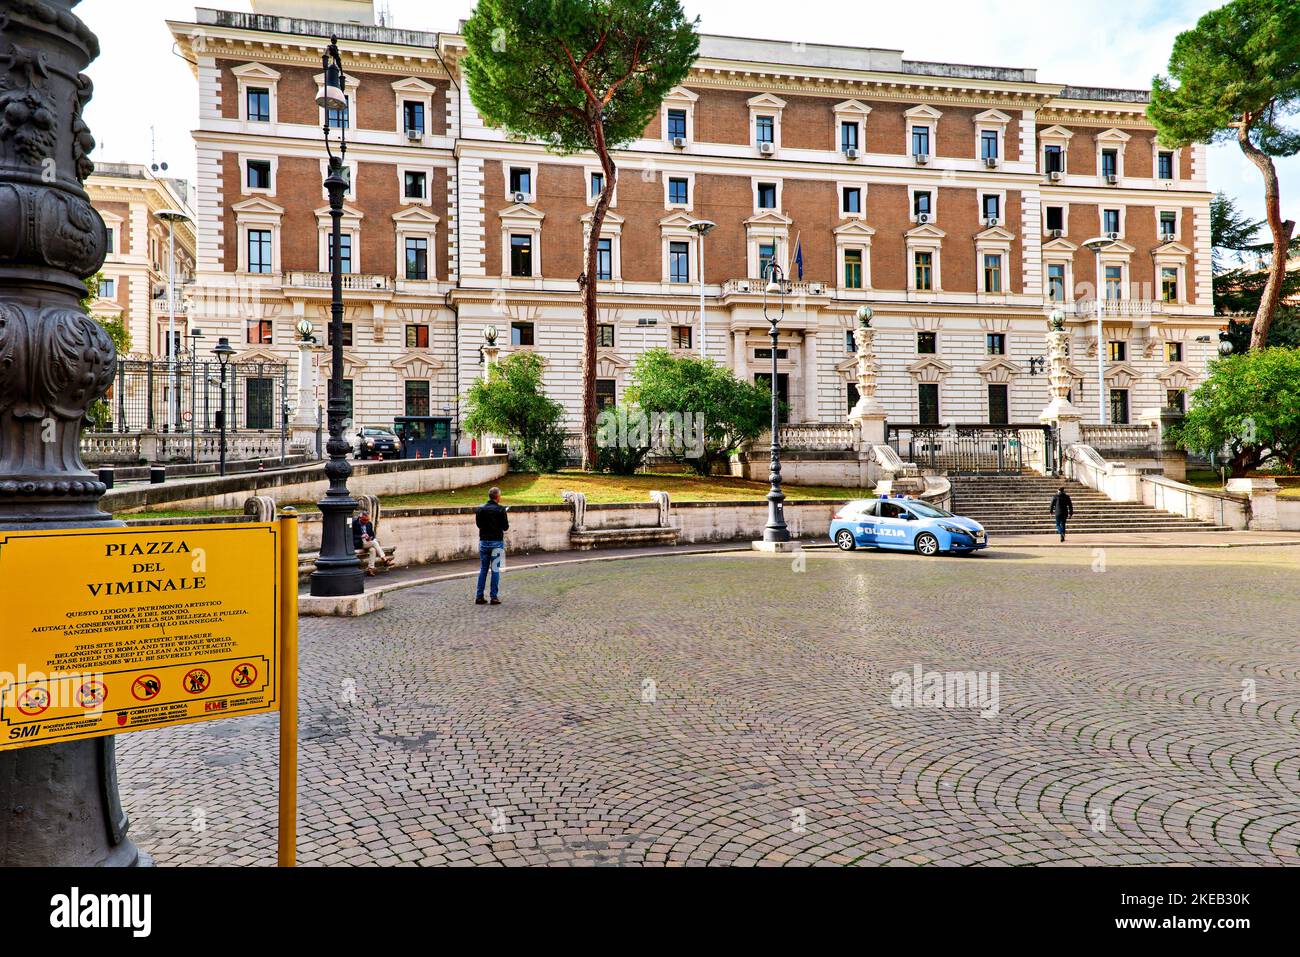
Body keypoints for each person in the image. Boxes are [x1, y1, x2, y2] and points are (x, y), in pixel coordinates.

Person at [475, 486, 509, 605]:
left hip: (484, 542)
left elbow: (479, 525)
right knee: (495, 570)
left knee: (483, 569)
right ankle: (493, 597)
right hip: (496, 542)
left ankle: (479, 596)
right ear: (498, 496)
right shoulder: (501, 510)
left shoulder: (480, 509)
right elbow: (505, 527)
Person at [353, 509, 393, 576]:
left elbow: (372, 534)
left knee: (373, 550)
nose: (366, 522)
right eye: (364, 520)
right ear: (360, 518)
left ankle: (370, 569)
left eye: (367, 520)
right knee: (374, 543)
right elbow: (351, 535)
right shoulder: (354, 523)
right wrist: (361, 536)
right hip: (359, 543)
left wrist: (370, 537)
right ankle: (384, 560)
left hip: (368, 542)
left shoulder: (369, 523)